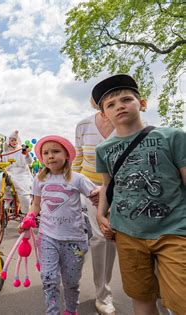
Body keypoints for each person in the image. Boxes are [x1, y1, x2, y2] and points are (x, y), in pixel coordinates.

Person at [94, 74, 186, 315]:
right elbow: (107, 185)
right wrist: (100, 213)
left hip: (174, 231)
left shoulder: (172, 136)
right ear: (104, 115)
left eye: (126, 99)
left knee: (181, 299)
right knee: (141, 296)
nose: (119, 106)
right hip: (128, 233)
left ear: (142, 103)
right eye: (110, 105)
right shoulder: (104, 149)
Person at [19, 135, 98, 315]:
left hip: (75, 240)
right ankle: (52, 312)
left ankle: (71, 310)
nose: (50, 156)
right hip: (47, 237)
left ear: (66, 156)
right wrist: (29, 216)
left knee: (71, 282)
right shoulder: (39, 179)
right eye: (45, 153)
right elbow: (36, 204)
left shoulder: (77, 179)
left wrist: (104, 212)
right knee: (49, 279)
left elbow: (96, 196)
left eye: (55, 151)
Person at [72, 104, 117, 315]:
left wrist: (109, 188)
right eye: (108, 99)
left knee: (121, 238)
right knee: (100, 238)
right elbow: (77, 161)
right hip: (90, 190)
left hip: (122, 186)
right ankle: (103, 295)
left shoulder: (130, 122)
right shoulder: (83, 126)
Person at [0, 130, 33, 212]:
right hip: (9, 172)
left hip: (22, 173)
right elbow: (3, 164)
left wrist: (27, 154)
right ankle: (8, 199)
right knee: (0, 179)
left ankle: (26, 212)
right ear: (8, 141)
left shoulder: (21, 151)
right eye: (12, 140)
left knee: (24, 194)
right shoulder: (4, 152)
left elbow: (30, 162)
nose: (14, 142)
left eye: (15, 140)